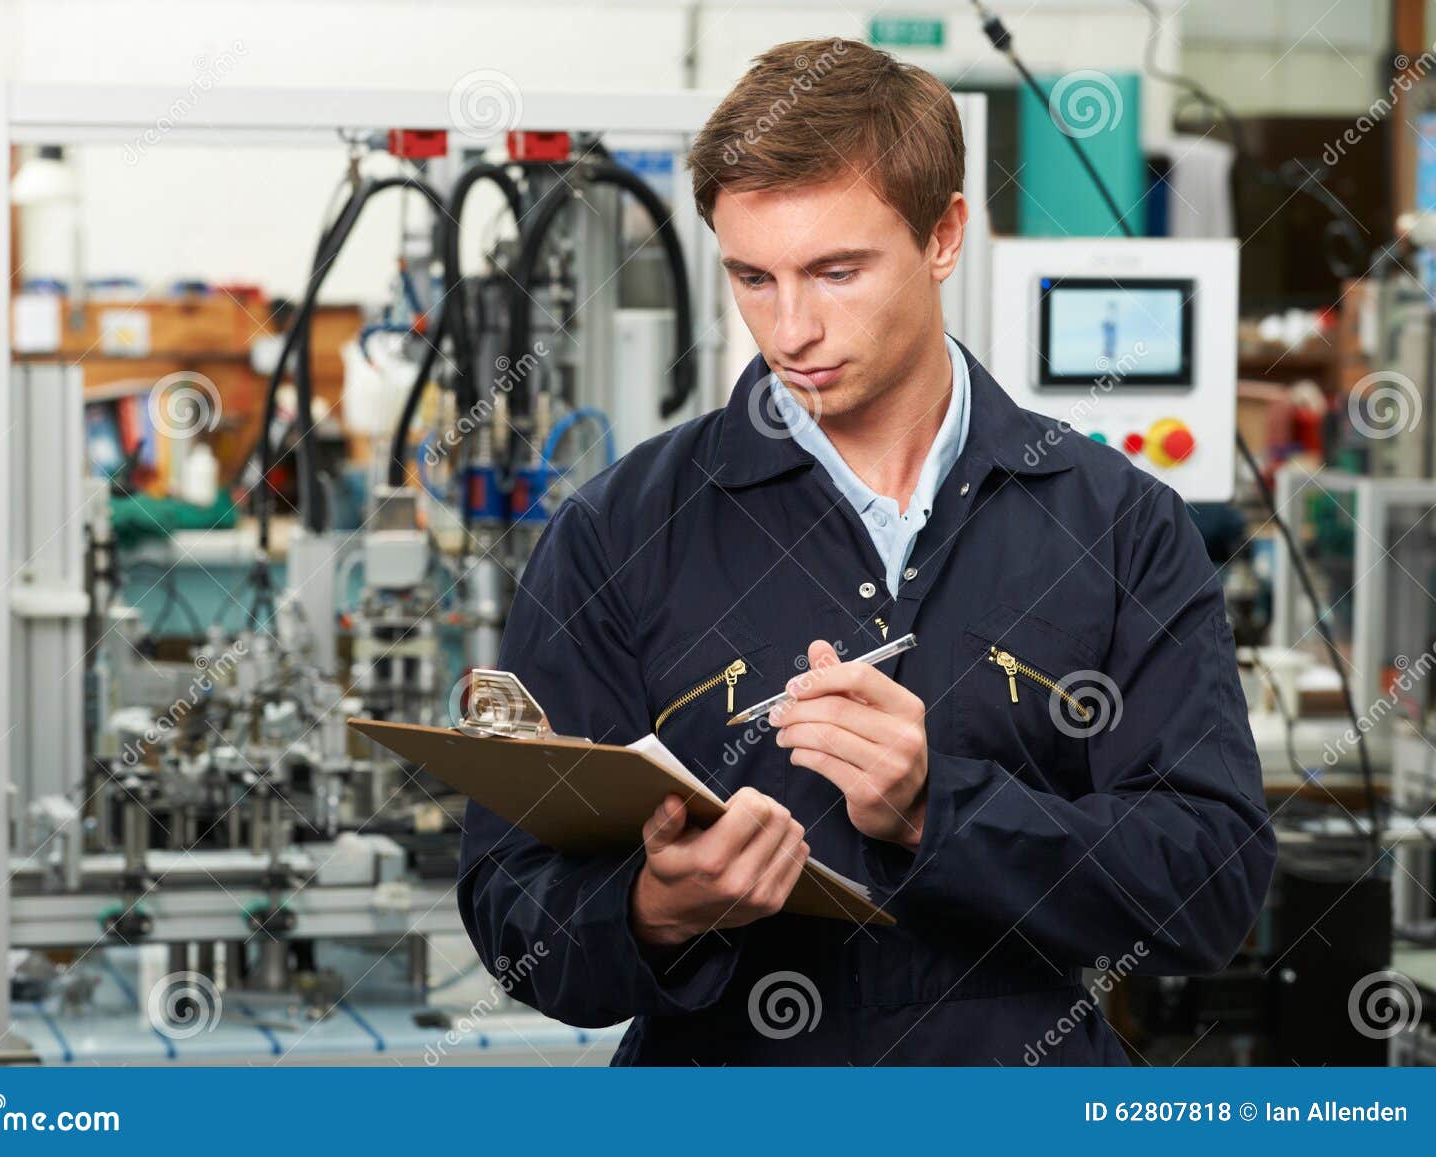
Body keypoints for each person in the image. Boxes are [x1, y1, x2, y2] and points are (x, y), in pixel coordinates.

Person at [457, 37, 1275, 1065]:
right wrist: (655, 906)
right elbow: (507, 901)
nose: (789, 328)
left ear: (944, 235)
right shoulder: (620, 531)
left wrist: (944, 807)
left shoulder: (1118, 527)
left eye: (836, 271)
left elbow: (1211, 890)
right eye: (752, 277)